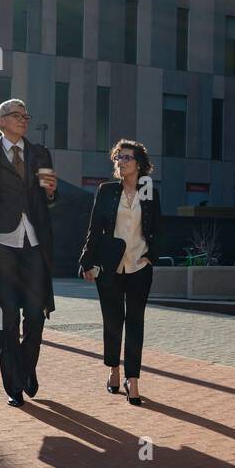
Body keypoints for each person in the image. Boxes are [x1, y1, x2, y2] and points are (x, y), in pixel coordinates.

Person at [0, 99, 58, 407]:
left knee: (35, 315)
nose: (24, 120)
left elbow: (50, 199)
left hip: (32, 244)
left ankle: (25, 368)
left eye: (26, 115)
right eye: (17, 115)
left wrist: (51, 192)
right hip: (0, 246)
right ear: (1, 122)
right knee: (7, 318)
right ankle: (13, 385)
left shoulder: (40, 154)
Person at [80, 139, 160, 406]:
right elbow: (93, 228)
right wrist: (86, 261)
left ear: (139, 163)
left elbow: (158, 227)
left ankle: (133, 379)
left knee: (135, 323)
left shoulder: (148, 190)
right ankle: (114, 369)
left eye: (126, 158)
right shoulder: (106, 191)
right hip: (111, 267)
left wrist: (152, 256)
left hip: (139, 266)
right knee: (113, 321)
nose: (121, 162)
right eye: (118, 158)